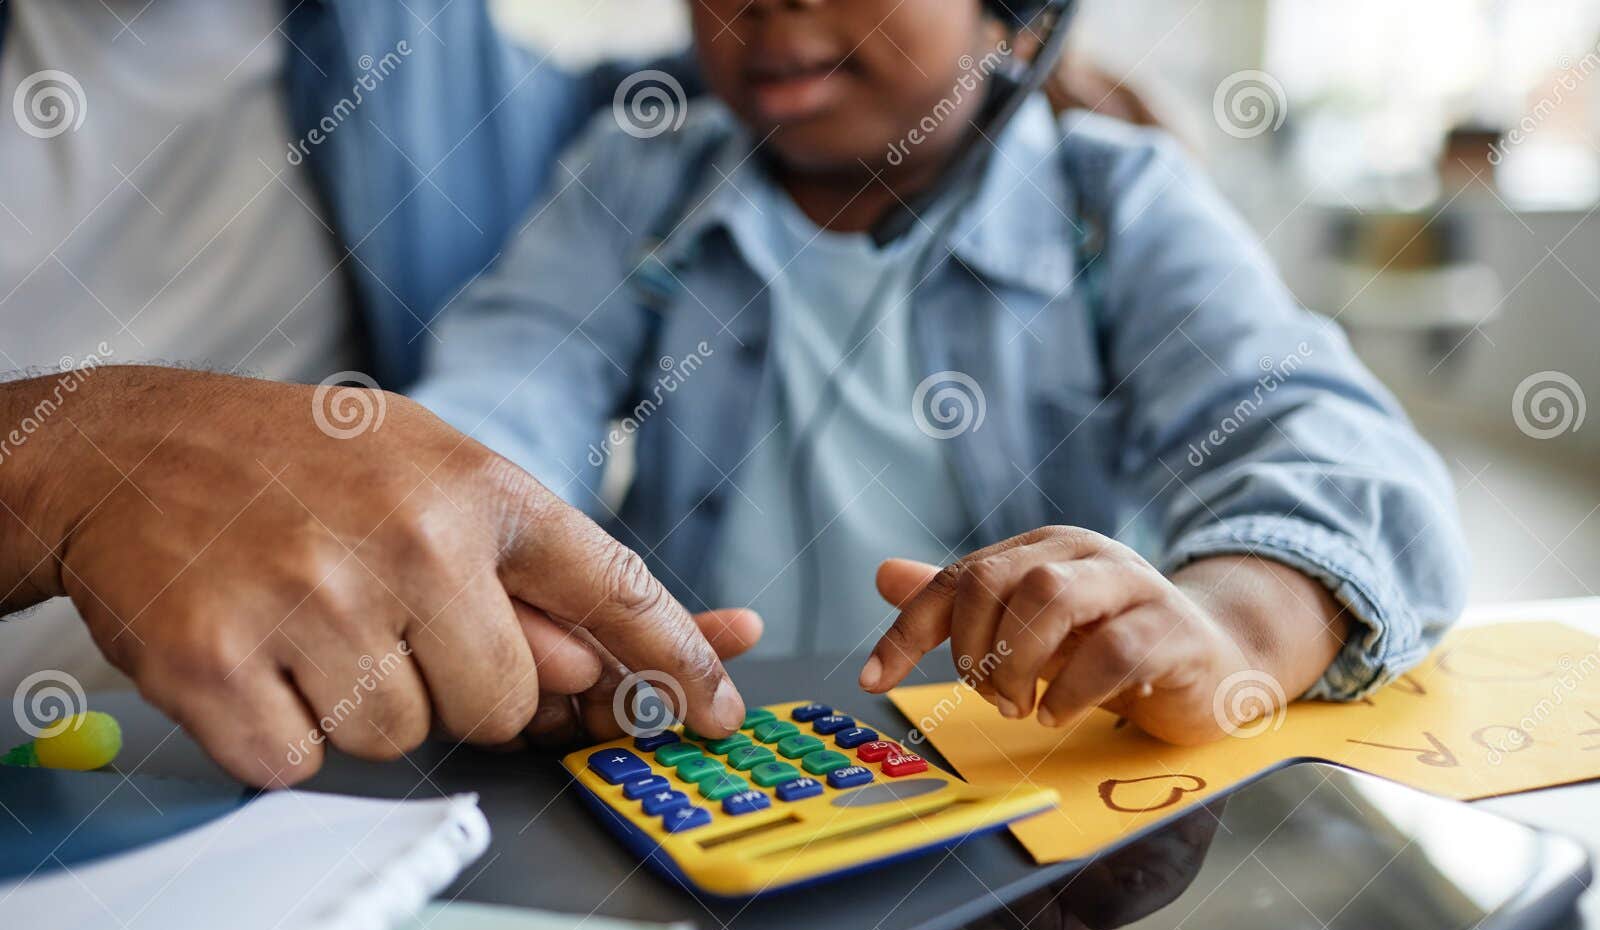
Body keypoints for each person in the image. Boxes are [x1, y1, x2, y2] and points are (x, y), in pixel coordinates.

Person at [413, 0, 1469, 742]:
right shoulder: (634, 178)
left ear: (1016, 15)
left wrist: (1232, 628)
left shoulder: (1119, 208)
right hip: (700, 766)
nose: (769, 4)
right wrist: (477, 555)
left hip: (1006, 815)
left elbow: (1337, 456)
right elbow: (504, 395)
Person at [0, 1, 766, 786]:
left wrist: (471, 557)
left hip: (279, 763)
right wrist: (65, 466)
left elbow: (716, 91)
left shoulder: (420, 36)